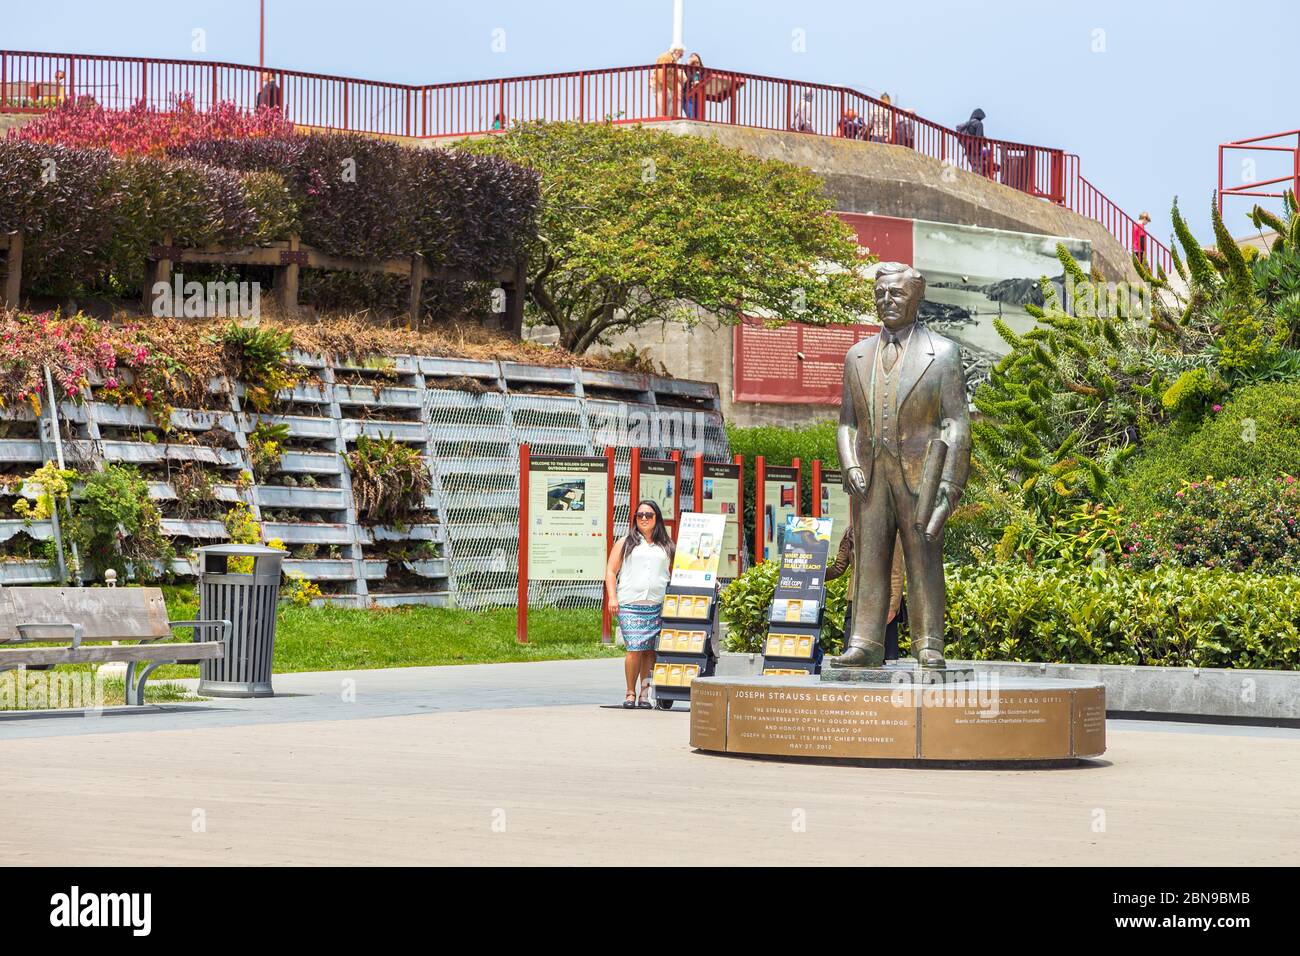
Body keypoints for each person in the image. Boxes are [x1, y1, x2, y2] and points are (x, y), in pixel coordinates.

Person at [606, 500, 674, 708]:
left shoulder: (666, 545)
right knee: (634, 648)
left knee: (649, 652)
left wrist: (709, 579)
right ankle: (630, 693)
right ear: (635, 519)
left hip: (657, 604)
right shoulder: (625, 542)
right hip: (630, 604)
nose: (644, 518)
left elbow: (683, 569)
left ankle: (645, 694)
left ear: (657, 518)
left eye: (649, 515)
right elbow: (610, 571)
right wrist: (612, 597)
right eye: (640, 515)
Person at [826, 524, 905, 661]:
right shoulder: (850, 533)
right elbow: (838, 567)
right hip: (856, 600)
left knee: (885, 657)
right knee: (850, 652)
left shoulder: (891, 534)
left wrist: (892, 607)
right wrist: (814, 572)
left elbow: (896, 573)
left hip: (881, 603)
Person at [652, 46, 684, 117]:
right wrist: (664, 84)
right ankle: (661, 118)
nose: (681, 57)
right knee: (662, 101)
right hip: (660, 84)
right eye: (681, 55)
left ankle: (666, 116)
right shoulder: (665, 57)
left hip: (666, 84)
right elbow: (660, 73)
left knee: (668, 100)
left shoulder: (672, 59)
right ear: (676, 51)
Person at [956, 108, 987, 174]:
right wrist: (984, 142)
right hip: (976, 149)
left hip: (968, 148)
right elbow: (979, 137)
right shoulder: (979, 124)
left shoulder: (967, 123)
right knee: (978, 167)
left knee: (974, 165)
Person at [681, 53, 706, 120]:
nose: (696, 64)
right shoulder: (686, 70)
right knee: (691, 116)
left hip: (698, 97)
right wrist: (688, 64)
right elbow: (686, 78)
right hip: (687, 96)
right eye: (693, 63)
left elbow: (705, 80)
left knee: (698, 117)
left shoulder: (702, 71)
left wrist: (698, 82)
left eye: (697, 62)